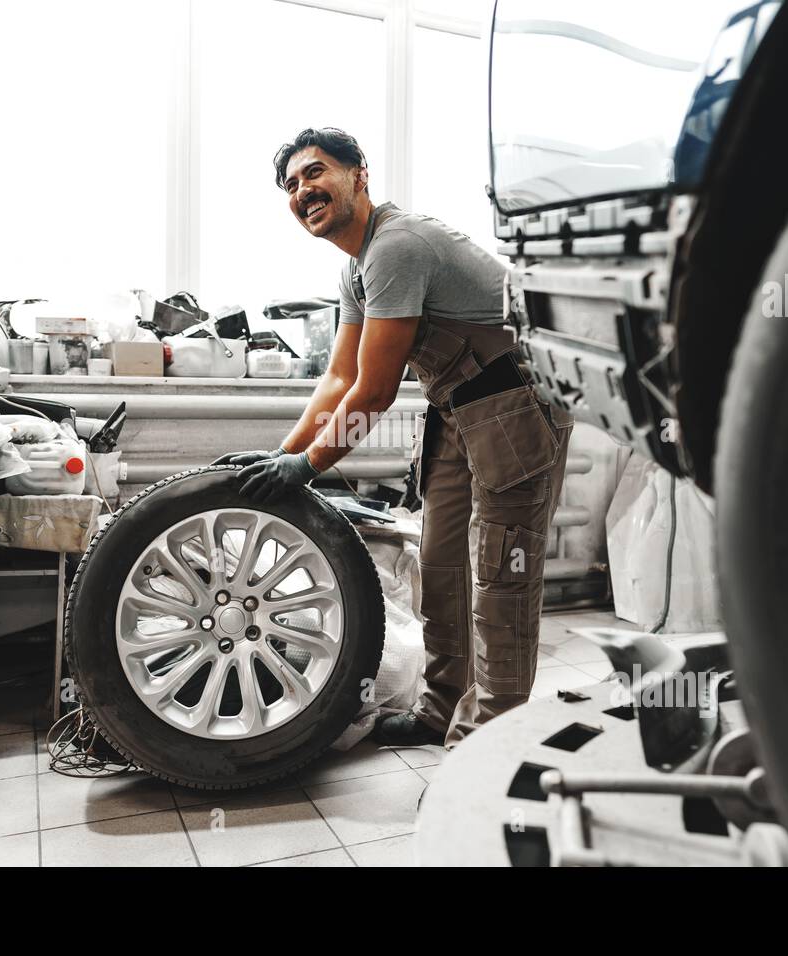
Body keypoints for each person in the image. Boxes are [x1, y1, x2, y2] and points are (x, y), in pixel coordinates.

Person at [215, 127, 573, 748]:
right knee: (439, 566)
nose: (303, 191)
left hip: (514, 406)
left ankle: (489, 743)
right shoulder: (356, 272)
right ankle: (439, 712)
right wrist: (285, 456)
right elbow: (340, 378)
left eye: (315, 172)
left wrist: (309, 467)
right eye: (292, 185)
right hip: (458, 411)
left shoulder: (397, 246)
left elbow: (374, 394)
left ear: (360, 176)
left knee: (501, 576)